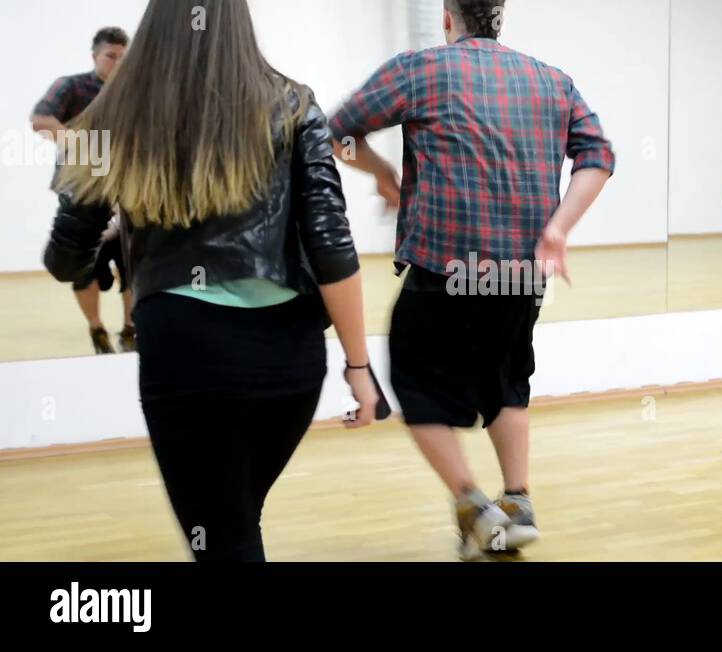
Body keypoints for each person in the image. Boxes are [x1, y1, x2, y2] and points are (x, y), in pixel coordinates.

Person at [44, 0, 379, 562]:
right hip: (290, 358)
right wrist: (359, 365)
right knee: (236, 522)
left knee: (225, 539)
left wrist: (104, 248)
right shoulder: (294, 103)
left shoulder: (110, 115)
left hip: (187, 350)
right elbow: (331, 244)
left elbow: (64, 258)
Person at [328, 0, 615, 560]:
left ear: (446, 15)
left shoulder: (418, 69)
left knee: (416, 387)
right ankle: (517, 504)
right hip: (519, 274)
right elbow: (597, 157)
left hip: (446, 269)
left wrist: (384, 174)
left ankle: (475, 506)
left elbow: (335, 133)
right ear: (500, 16)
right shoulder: (552, 80)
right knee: (506, 383)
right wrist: (557, 229)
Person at [31, 27, 135, 354]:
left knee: (131, 267)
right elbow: (41, 120)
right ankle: (97, 329)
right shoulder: (72, 86)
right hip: (83, 198)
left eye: (123, 56)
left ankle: (131, 329)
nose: (118, 62)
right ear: (95, 56)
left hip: (126, 196)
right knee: (80, 269)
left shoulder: (134, 92)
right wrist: (86, 149)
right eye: (111, 56)